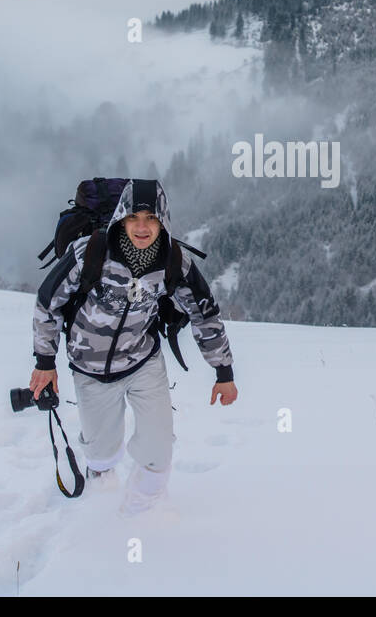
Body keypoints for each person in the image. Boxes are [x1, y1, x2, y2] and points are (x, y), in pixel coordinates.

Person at [30, 178, 237, 516]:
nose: (142, 227)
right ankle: (100, 475)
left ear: (163, 220)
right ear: (121, 219)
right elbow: (46, 303)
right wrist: (44, 362)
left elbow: (205, 313)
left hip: (144, 361)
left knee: (158, 451)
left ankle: (140, 517)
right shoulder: (89, 253)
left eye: (151, 219)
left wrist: (223, 371)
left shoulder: (174, 261)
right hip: (89, 367)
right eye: (134, 218)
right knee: (101, 452)